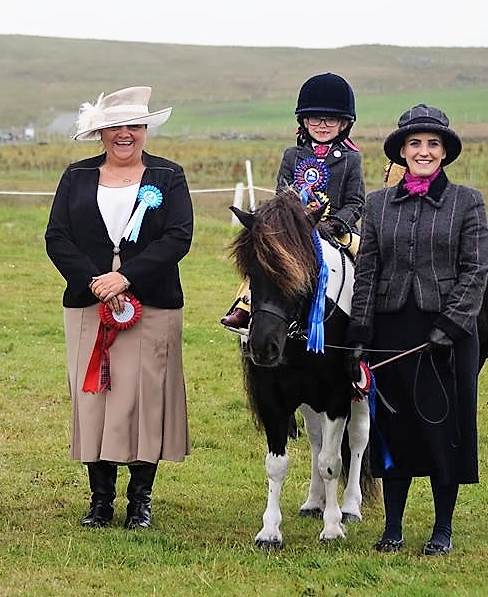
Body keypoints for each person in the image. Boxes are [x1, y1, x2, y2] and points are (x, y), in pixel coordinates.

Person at [345, 104, 488, 556]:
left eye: (432, 144)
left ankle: (442, 529)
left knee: (444, 432)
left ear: (445, 152)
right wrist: (359, 336)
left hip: (447, 339)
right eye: (415, 144)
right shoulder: (377, 204)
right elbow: (367, 272)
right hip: (391, 332)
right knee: (394, 431)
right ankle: (392, 528)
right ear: (402, 152)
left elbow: (477, 268)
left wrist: (449, 326)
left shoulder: (468, 202)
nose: (423, 151)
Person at [45, 86, 192, 529]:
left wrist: (126, 277)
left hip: (152, 304)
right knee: (96, 398)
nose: (124, 135)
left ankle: (140, 501)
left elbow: (177, 236)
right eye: (115, 127)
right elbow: (57, 237)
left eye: (133, 126)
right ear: (100, 132)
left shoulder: (168, 177)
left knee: (146, 399)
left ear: (145, 130)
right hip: (89, 304)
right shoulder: (76, 176)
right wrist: (97, 282)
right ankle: (100, 500)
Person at [220, 72, 365, 331]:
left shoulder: (351, 160)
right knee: (263, 254)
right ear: (304, 121)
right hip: (294, 231)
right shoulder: (292, 155)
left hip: (338, 231)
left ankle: (364, 315)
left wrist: (337, 223)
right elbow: (280, 197)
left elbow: (356, 201)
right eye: (316, 119)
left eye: (330, 119)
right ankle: (243, 306)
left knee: (364, 256)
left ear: (344, 123)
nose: (322, 125)